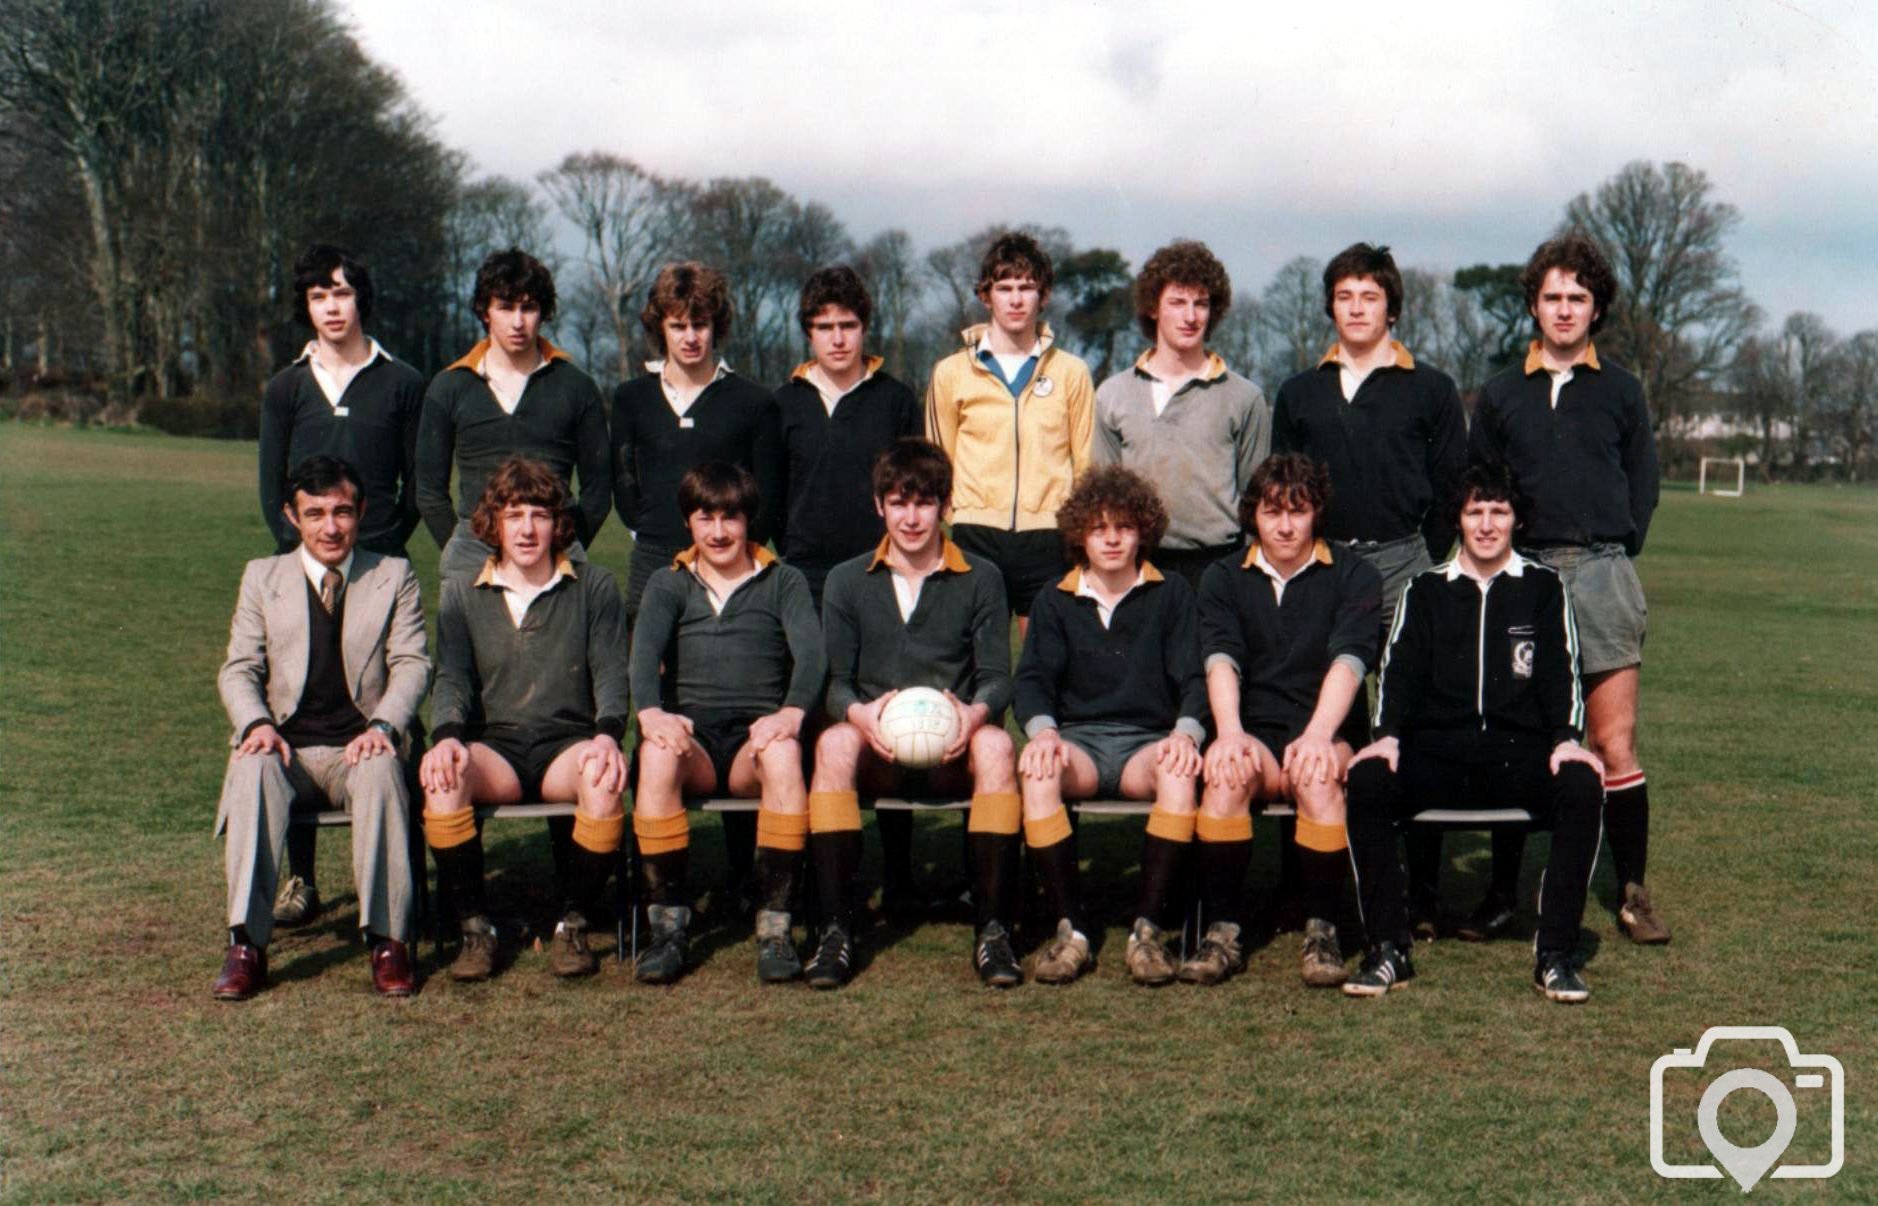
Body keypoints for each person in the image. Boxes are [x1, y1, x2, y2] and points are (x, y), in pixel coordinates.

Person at [1269, 243, 1476, 940]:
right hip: (1323, 569)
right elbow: (1285, 489)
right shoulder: (1300, 391)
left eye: (1370, 297)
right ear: (1329, 306)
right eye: (1345, 297)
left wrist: (1426, 560)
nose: (1357, 309)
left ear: (1392, 306)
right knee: (1319, 717)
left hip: (1401, 563)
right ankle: (1311, 883)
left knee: (1405, 723)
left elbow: (1454, 486)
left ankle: (1416, 891)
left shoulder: (1432, 388)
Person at [1343, 463, 1606, 1002]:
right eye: (1474, 512)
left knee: (1582, 786)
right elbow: (1398, 671)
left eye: (1498, 512)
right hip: (1438, 756)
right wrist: (1387, 733)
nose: (1486, 525)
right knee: (1368, 779)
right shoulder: (1425, 589)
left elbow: (1563, 671)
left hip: (1517, 756)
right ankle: (1389, 948)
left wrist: (1566, 738)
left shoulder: (1543, 587)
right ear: (1458, 521)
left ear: (1515, 520)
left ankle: (1555, 954)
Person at [1470, 232, 1667, 945]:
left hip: (1605, 573)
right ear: (1533, 304)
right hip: (1525, 582)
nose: (1563, 310)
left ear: (1596, 307)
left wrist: (1613, 550)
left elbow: (1642, 485)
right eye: (1551, 297)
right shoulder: (1498, 394)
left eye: (1577, 298)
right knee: (1521, 739)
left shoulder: (1620, 390)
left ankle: (1633, 892)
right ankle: (1502, 894)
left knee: (1614, 741)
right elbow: (1483, 491)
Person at [211, 455, 429, 1000]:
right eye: (315, 514)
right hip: (286, 748)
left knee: (382, 771)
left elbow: (413, 663)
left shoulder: (392, 574)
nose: (330, 527)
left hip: (359, 747)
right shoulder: (263, 577)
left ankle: (388, 943)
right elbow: (240, 668)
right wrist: (257, 723)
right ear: (291, 516)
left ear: (362, 513)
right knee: (251, 766)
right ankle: (245, 945)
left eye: (342, 512)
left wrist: (383, 726)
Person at [805, 439, 1017, 989]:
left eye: (924, 503)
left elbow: (997, 677)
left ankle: (993, 929)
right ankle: (835, 929)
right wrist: (859, 715)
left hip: (953, 746)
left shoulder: (982, 577)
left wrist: (974, 716)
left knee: (997, 745)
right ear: (879, 506)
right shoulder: (847, 580)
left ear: (945, 506)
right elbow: (836, 683)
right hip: (877, 744)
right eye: (899, 503)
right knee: (831, 744)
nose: (912, 517)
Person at [257, 243, 426, 927]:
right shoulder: (285, 388)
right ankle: (300, 878)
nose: (331, 307)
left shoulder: (403, 382)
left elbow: (416, 487)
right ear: (307, 306)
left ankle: (398, 865)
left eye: (343, 293)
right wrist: (303, 562)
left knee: (382, 720)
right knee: (299, 715)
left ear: (362, 300)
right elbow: (272, 490)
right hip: (304, 578)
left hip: (379, 575)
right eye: (319, 296)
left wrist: (380, 552)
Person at [420, 457, 630, 982]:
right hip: (498, 749)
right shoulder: (461, 592)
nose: (528, 528)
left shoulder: (595, 585)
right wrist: (446, 736)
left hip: (567, 744)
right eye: (514, 515)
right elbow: (451, 679)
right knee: (444, 780)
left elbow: (610, 671)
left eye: (540, 514)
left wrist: (608, 735)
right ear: (494, 522)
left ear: (559, 522)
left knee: (603, 781)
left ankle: (574, 923)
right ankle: (475, 931)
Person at [628, 463, 826, 985]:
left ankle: (775, 929)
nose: (719, 532)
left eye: (730, 518)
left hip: (752, 741)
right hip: (691, 736)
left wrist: (790, 712)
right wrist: (650, 712)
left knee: (784, 752)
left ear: (748, 521)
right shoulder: (668, 582)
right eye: (705, 517)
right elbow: (642, 656)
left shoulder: (784, 579)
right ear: (688, 524)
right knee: (656, 753)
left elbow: (811, 657)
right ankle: (667, 928)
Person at [771, 265, 926, 918]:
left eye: (848, 326)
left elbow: (913, 484)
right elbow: (770, 494)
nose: (837, 338)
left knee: (887, 709)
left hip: (879, 573)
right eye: (824, 327)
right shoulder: (784, 403)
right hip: (805, 576)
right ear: (808, 332)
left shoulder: (894, 398)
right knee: (812, 710)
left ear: (866, 329)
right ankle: (816, 862)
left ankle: (899, 870)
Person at [1013, 466, 1207, 985]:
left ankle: (1148, 932)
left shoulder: (1172, 594)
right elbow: (1031, 681)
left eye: (1123, 526)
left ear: (1143, 529)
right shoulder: (1055, 598)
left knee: (1179, 771)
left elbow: (1194, 676)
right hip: (1077, 742)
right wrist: (1044, 733)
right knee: (1037, 771)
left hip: (1148, 743)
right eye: (1099, 529)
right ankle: (1071, 929)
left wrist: (1186, 733)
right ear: (1081, 535)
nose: (1113, 538)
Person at [1194, 453, 1381, 987]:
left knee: (1319, 775)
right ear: (1254, 514)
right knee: (1226, 773)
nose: (1284, 525)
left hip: (1323, 725)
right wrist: (1229, 734)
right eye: (1273, 511)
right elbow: (1220, 660)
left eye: (1297, 511)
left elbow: (1350, 661)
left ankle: (1322, 931)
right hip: (1251, 727)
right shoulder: (1224, 577)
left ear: (1316, 512)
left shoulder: (1354, 573)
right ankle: (1222, 931)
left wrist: (1320, 735)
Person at [925, 231, 1094, 627]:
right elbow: (936, 462)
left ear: (1044, 295)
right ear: (986, 295)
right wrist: (956, 518)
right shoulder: (950, 373)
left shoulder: (1072, 373)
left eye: (1027, 287)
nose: (1016, 299)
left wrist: (1073, 526)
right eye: (1004, 288)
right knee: (979, 668)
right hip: (975, 535)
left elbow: (1087, 462)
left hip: (1049, 536)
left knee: (1045, 665)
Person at [417, 248, 612, 580]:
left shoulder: (577, 386)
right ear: (485, 312)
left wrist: (564, 540)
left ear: (543, 312)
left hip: (555, 549)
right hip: (472, 552)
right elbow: (429, 490)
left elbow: (598, 489)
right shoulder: (449, 386)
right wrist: (460, 545)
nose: (518, 322)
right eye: (505, 307)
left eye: (529, 307)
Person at [612, 261, 783, 621]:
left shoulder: (755, 402)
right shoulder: (631, 398)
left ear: (715, 327)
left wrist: (733, 551)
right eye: (678, 326)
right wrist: (652, 532)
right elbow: (624, 484)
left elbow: (767, 498)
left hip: (729, 566)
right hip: (653, 563)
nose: (690, 337)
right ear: (661, 328)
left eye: (700, 325)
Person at [1093, 239, 1269, 589]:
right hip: (1137, 564)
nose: (1190, 317)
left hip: (1217, 565)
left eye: (1200, 304)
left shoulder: (1245, 397)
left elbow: (1257, 497)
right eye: (1177, 302)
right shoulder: (1112, 394)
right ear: (1153, 308)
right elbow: (1103, 494)